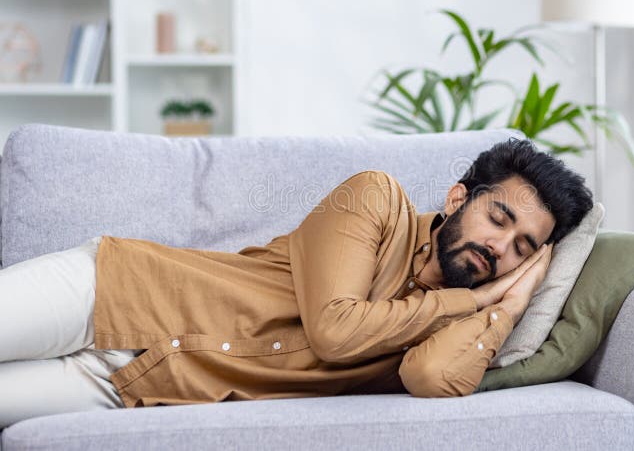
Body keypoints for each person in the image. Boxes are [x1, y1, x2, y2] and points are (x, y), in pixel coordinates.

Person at [0, 138, 592, 428]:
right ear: (458, 197)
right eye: (498, 219)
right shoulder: (375, 198)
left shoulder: (464, 317)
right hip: (112, 290)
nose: (500, 249)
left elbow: (431, 377)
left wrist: (505, 305)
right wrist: (474, 297)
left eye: (523, 248)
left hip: (129, 385)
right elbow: (335, 330)